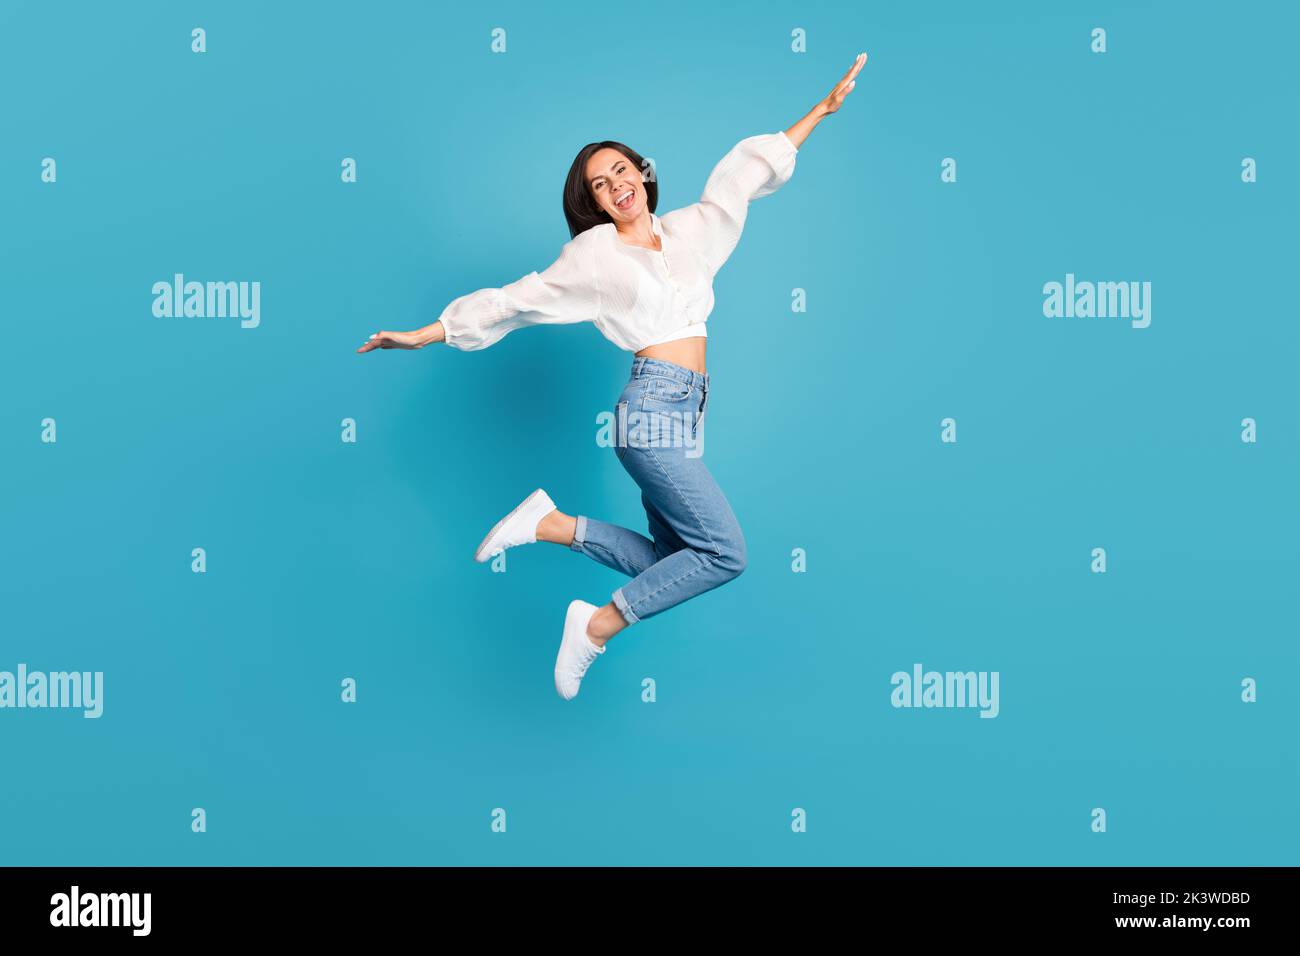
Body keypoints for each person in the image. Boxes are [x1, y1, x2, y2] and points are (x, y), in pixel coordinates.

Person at [358, 53, 867, 700]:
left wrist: (818, 113)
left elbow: (740, 178)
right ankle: (597, 624)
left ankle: (551, 525)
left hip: (686, 413)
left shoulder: (688, 233)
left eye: (621, 170)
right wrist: (427, 333)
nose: (616, 185)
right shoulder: (597, 254)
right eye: (600, 184)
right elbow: (518, 298)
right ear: (593, 202)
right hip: (651, 409)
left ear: (643, 175)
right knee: (724, 554)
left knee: (672, 562)